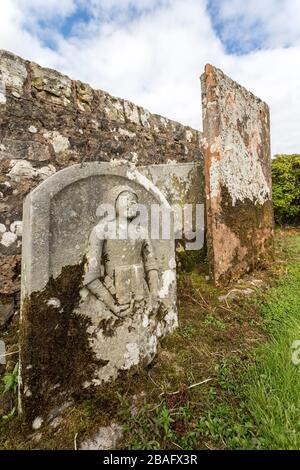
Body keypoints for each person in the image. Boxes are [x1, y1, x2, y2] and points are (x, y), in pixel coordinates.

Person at [82, 185, 159, 318]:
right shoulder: (100, 231)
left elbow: (151, 264)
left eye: (135, 201)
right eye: (127, 199)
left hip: (142, 296)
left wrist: (153, 296)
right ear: (114, 203)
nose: (132, 203)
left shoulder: (141, 231)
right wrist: (112, 304)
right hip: (114, 296)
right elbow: (90, 275)